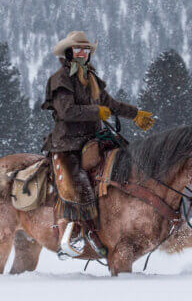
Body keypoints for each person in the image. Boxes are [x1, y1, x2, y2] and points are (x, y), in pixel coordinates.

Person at [42, 31, 155, 258]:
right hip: (67, 144)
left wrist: (134, 114)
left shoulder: (90, 77)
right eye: (78, 48)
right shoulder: (60, 79)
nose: (83, 52)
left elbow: (110, 104)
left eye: (86, 49)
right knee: (81, 185)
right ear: (69, 52)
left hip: (93, 140)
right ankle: (85, 234)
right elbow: (66, 111)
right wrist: (96, 111)